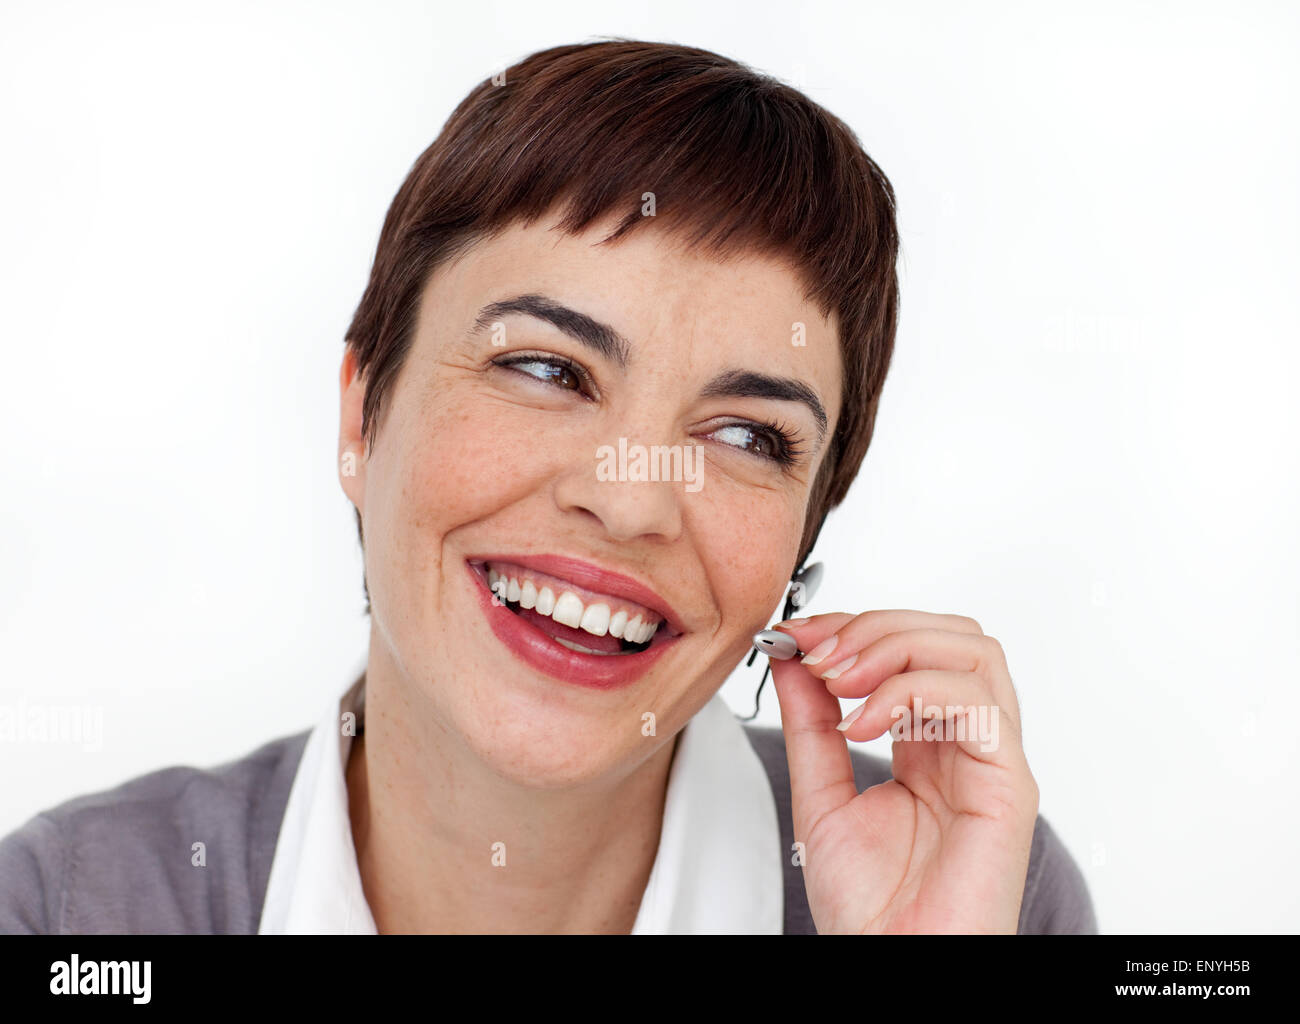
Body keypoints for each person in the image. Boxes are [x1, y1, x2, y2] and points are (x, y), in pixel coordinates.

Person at [0, 38, 1096, 934]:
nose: (629, 501)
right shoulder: (69, 910)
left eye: (749, 436)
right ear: (359, 413)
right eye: (544, 369)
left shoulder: (981, 888)